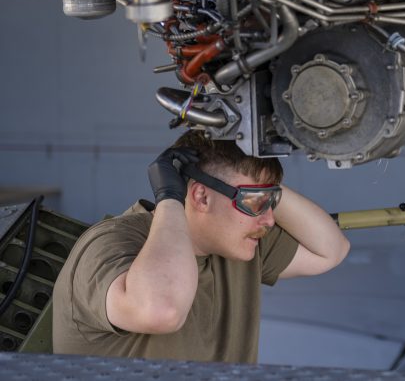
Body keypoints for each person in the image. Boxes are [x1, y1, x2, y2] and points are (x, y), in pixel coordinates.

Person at [52, 130, 350, 362]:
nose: (270, 220)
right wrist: (170, 196)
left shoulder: (240, 242)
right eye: (256, 203)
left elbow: (330, 250)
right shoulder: (108, 244)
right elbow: (161, 310)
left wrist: (261, 183)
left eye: (271, 202)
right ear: (201, 197)